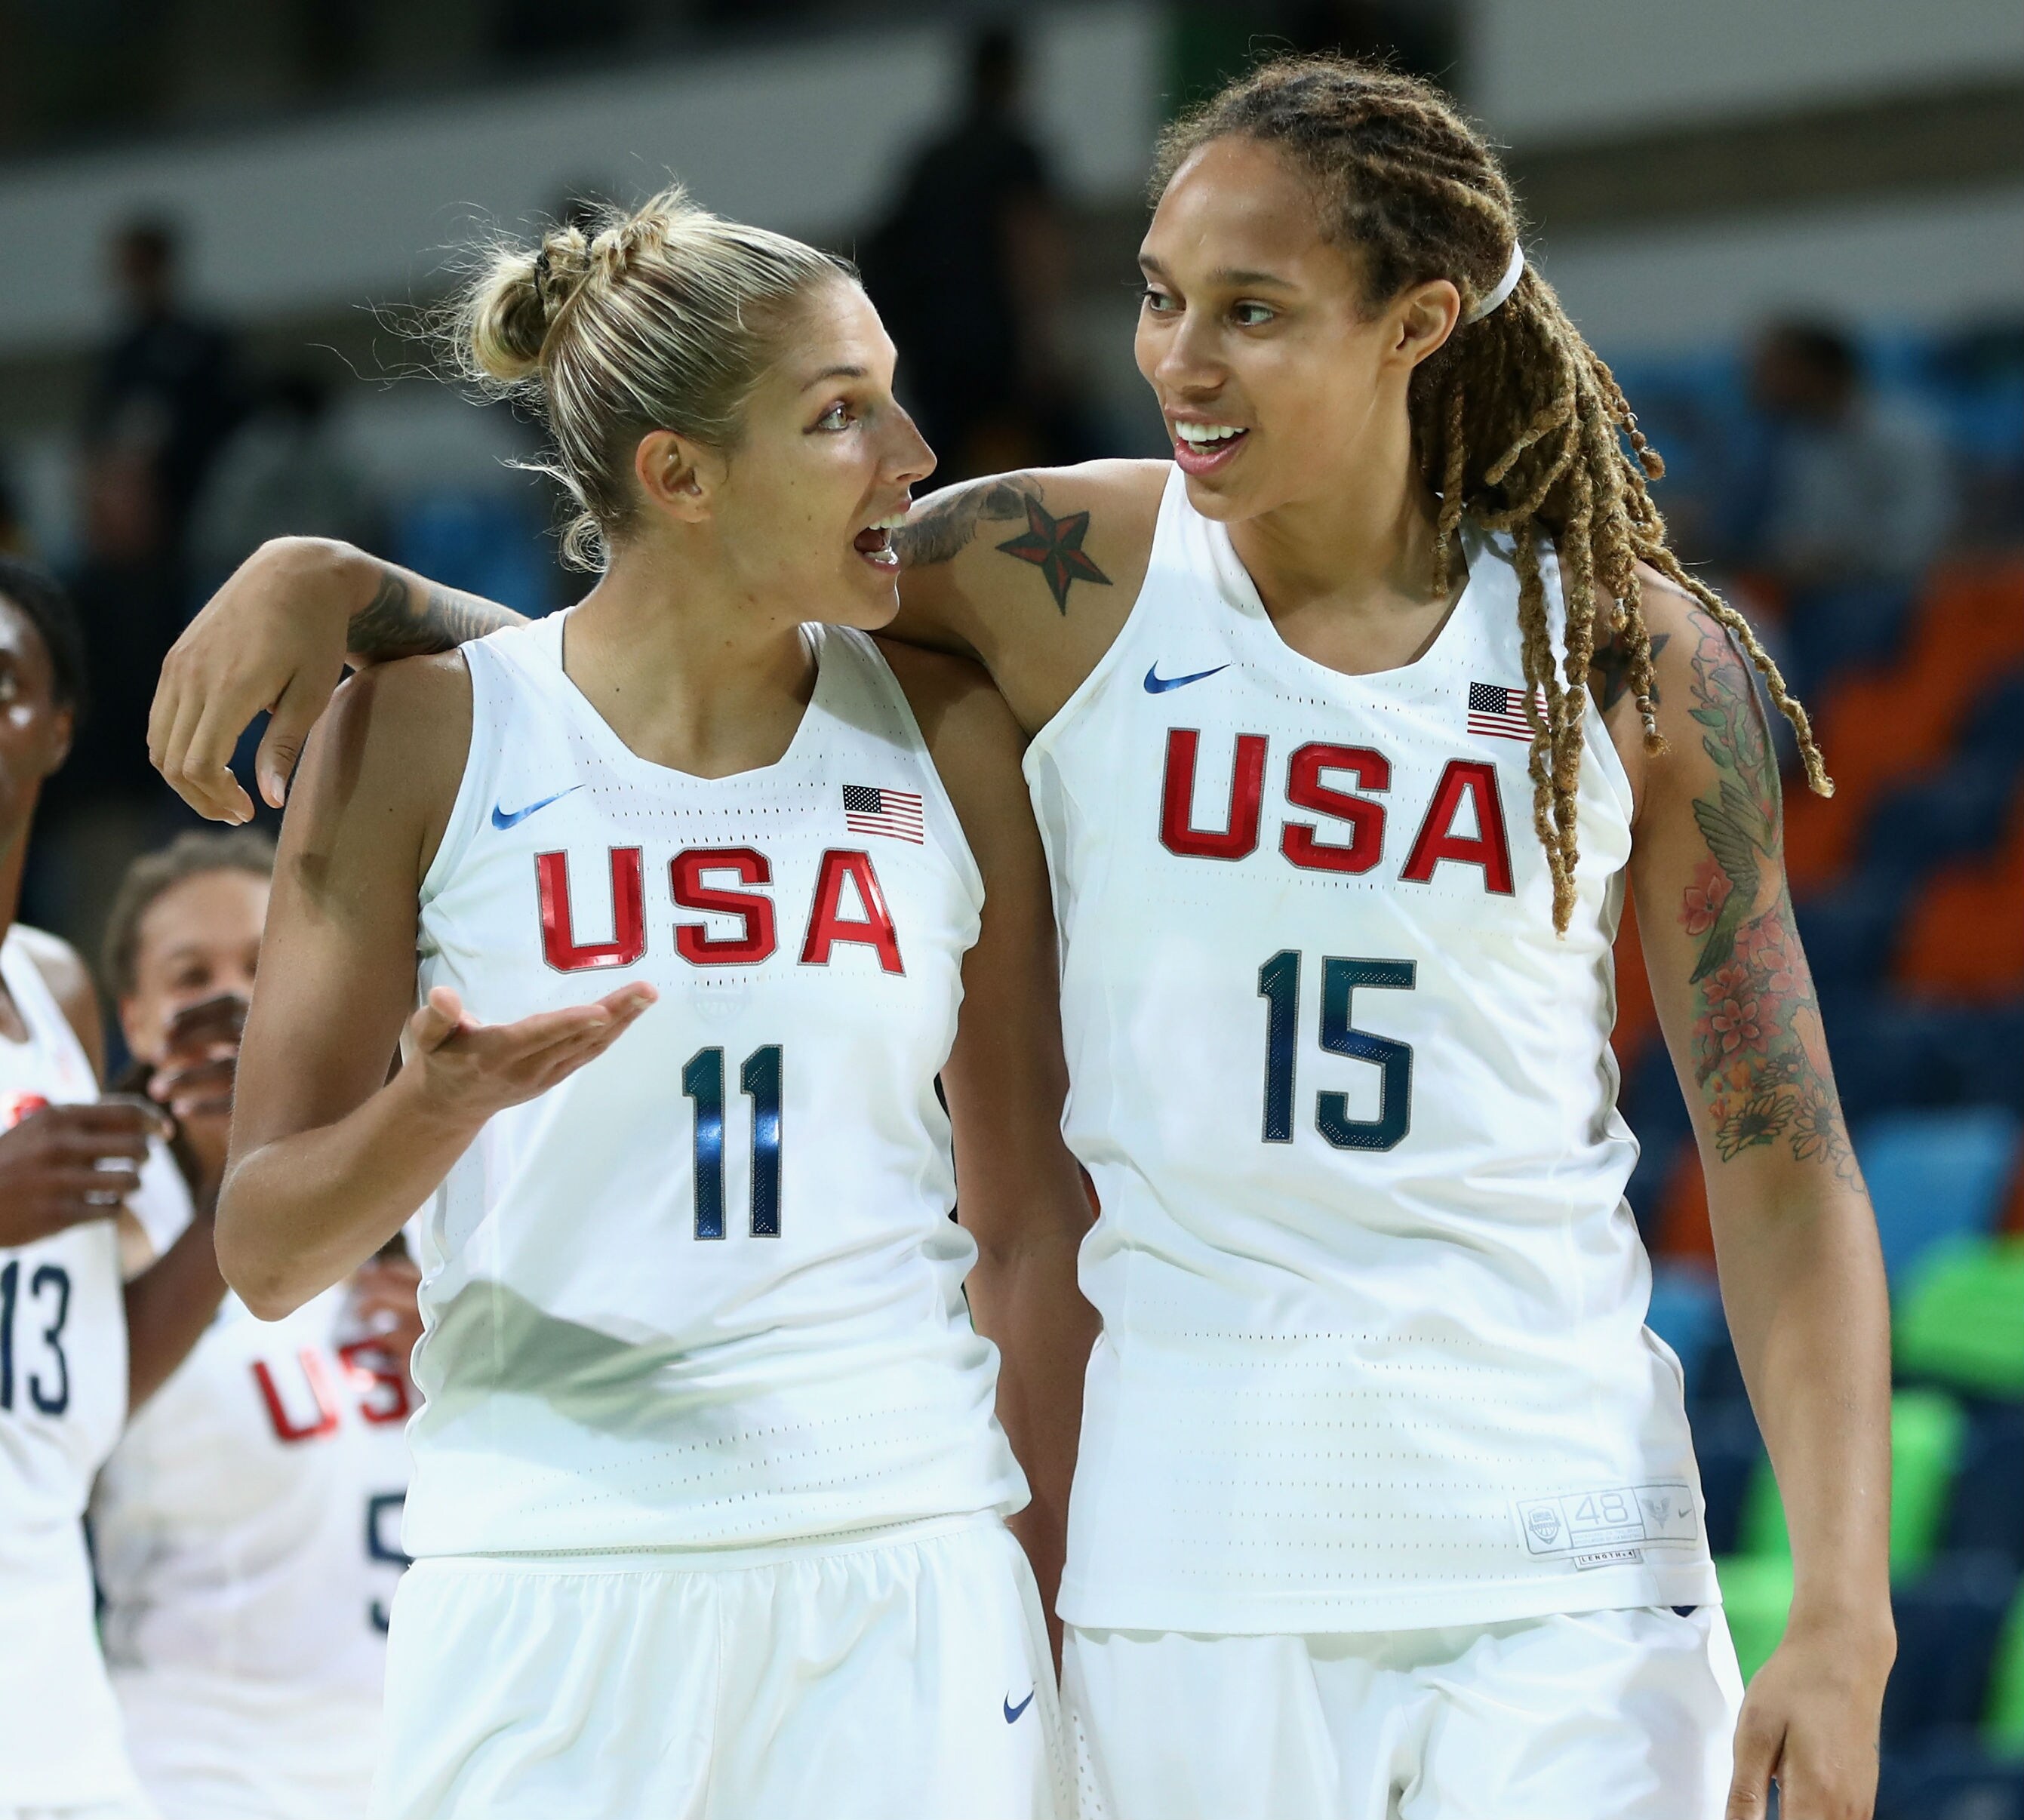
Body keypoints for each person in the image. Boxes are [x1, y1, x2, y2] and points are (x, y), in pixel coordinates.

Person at [149, 57, 1896, 1820]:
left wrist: (1847, 1612)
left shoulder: (1633, 657)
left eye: (1250, 313)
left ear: (1416, 322)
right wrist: (348, 586)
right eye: (1155, 297)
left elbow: (1780, 1157)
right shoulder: (1069, 574)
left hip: (1562, 1548)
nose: (1178, 363)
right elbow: (667, 664)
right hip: (1188, 1567)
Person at [178, 192, 1093, 1820]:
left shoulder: (950, 733)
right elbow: (265, 1249)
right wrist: (432, 1109)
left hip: (903, 1555)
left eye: (886, 391)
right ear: (677, 476)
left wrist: (1049, 1581)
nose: (914, 450)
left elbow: (1028, 1223)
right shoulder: (421, 740)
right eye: (840, 415)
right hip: (545, 1573)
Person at [88, 830, 420, 1820]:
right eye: (192, 975)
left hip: (420, 1756)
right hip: (198, 1767)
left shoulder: (416, 1184)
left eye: (262, 964)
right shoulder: (106, 1218)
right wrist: (234, 1165)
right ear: (135, 1019)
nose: (232, 999)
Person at [0, 556, 226, 1820]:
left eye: (0, 683)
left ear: (56, 728)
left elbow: (84, 1385)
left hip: (51, 1687)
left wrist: (235, 1164)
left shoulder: (54, 992)